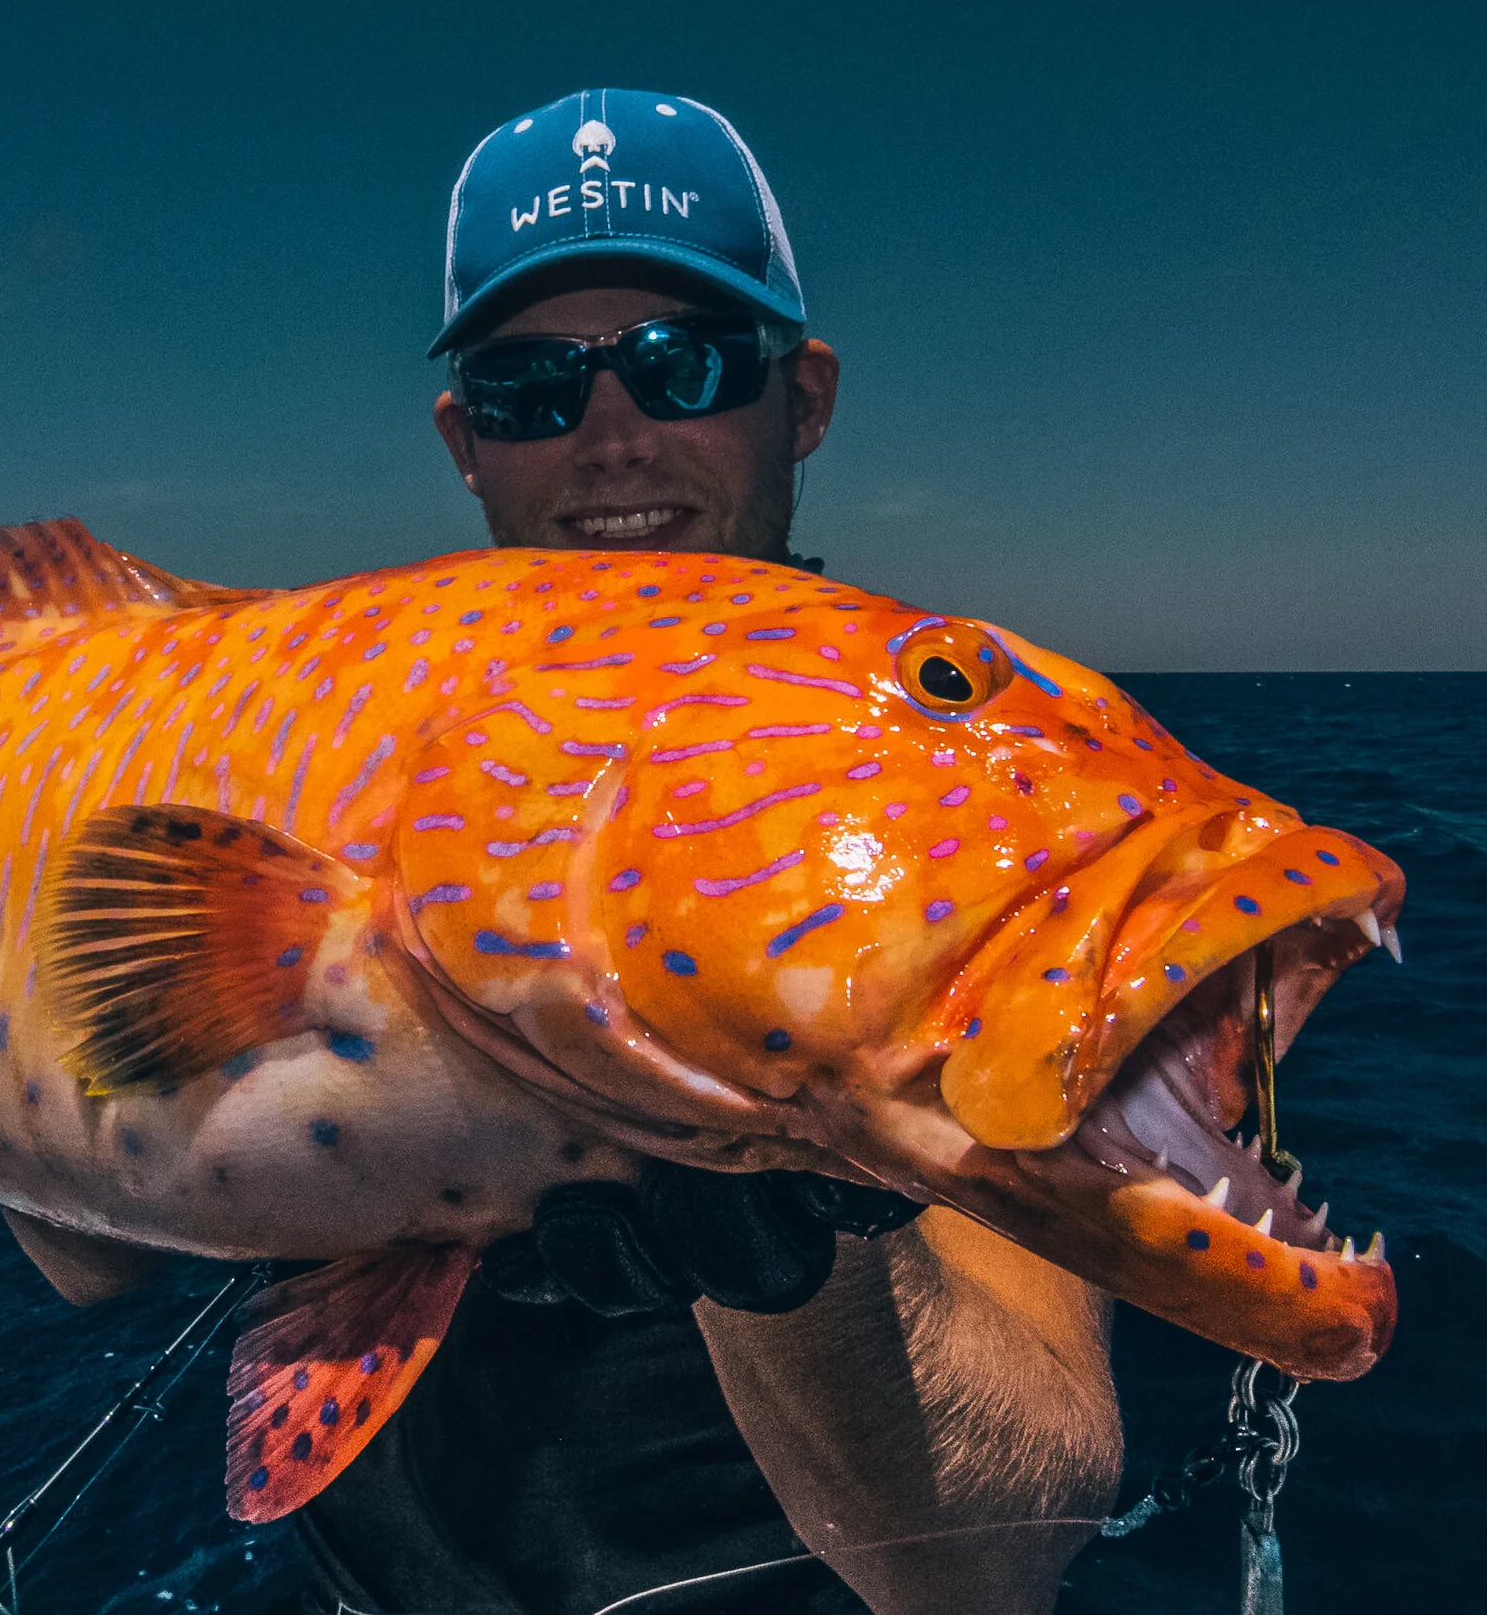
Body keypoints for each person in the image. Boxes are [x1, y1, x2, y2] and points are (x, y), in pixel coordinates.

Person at [285, 90, 1121, 1615]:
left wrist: (791, 1261)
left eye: (684, 367)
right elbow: (91, 1258)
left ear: (800, 401)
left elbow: (1003, 1559)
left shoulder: (955, 816)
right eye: (531, 387)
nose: (612, 440)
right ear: (467, 444)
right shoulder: (318, 746)